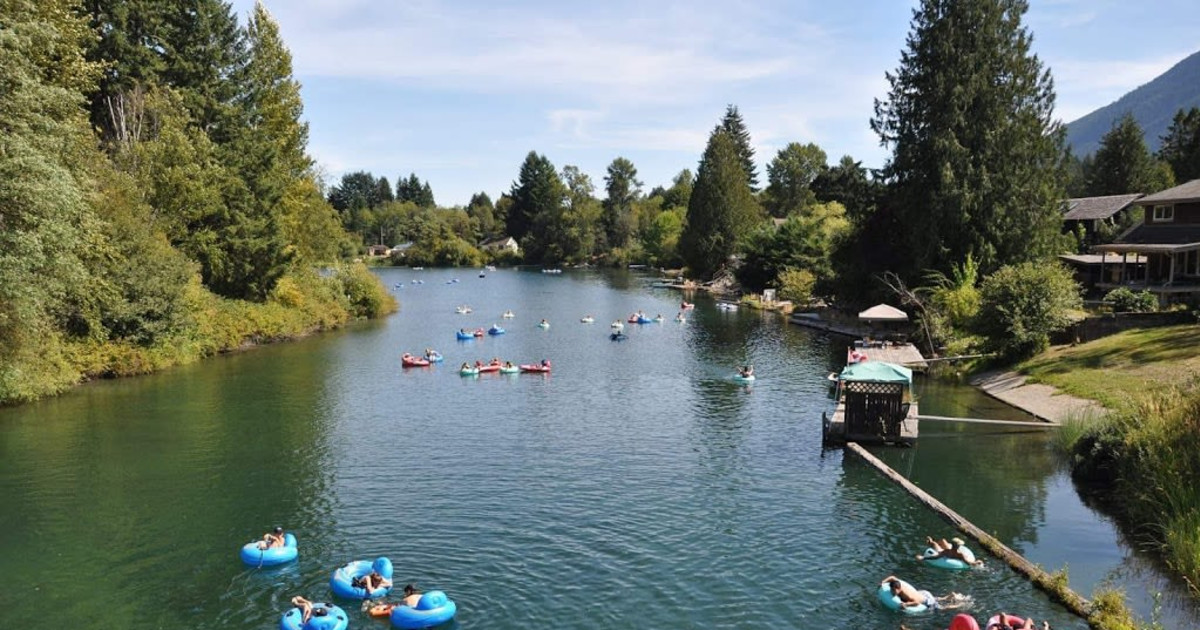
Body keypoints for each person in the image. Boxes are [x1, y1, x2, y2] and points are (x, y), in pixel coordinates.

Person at [882, 576, 967, 611]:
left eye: (894, 591)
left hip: (925, 600)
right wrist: (882, 582)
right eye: (891, 590)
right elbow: (892, 577)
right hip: (922, 593)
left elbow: (917, 602)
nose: (892, 592)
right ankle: (949, 596)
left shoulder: (906, 595)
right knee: (936, 599)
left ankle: (959, 605)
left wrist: (906, 604)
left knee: (941, 608)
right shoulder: (898, 583)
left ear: (899, 588)